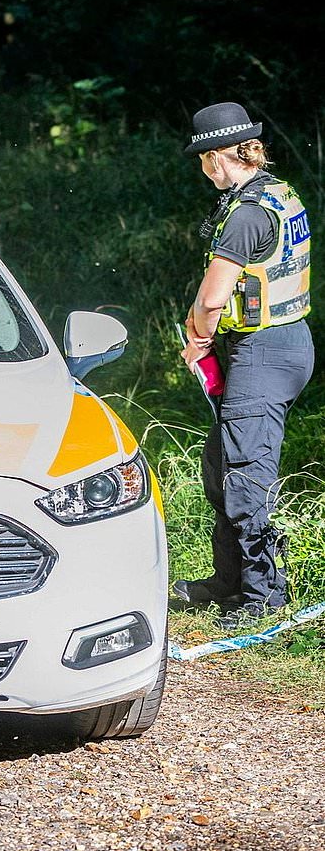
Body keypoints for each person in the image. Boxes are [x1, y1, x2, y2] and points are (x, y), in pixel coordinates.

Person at [171, 102, 313, 630]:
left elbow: (212, 298)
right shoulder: (277, 193)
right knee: (223, 465)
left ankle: (263, 595)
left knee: (245, 475)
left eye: (202, 159)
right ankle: (227, 581)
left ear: (216, 157)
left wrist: (198, 340)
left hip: (262, 352)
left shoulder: (247, 214)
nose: (202, 168)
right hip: (278, 344)